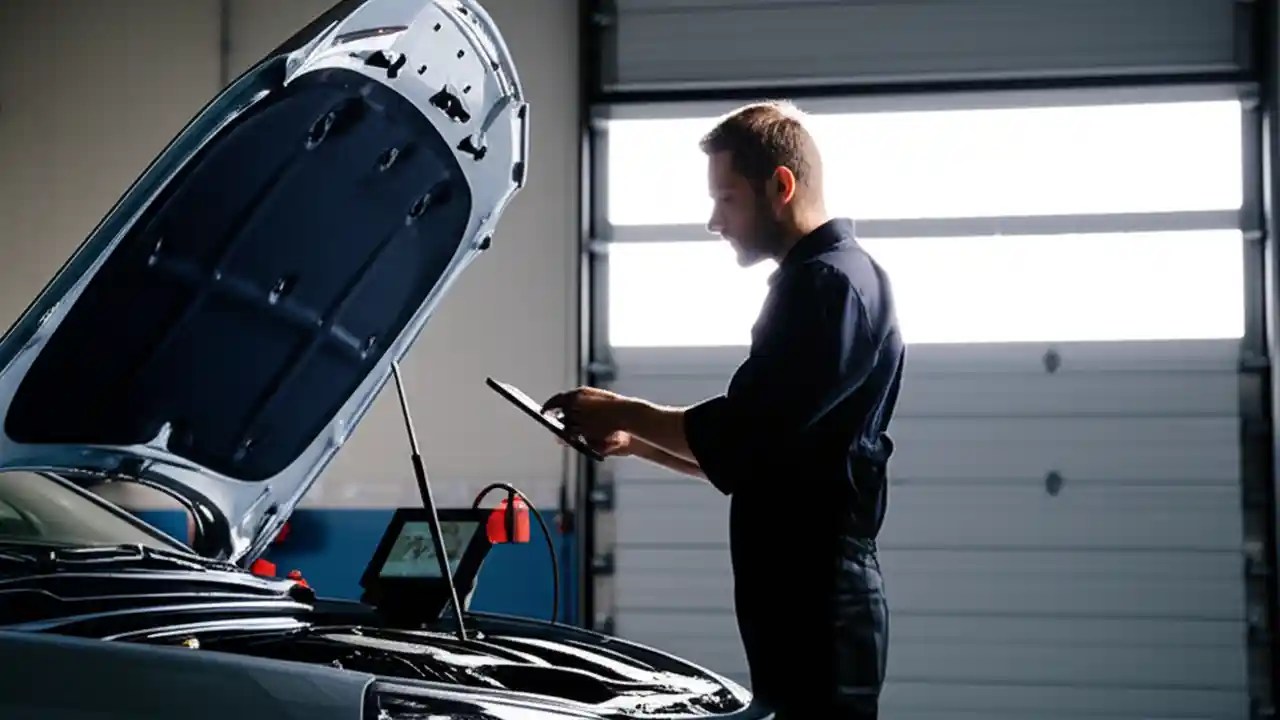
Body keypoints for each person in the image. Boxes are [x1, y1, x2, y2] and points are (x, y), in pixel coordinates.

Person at [543, 100, 903, 718]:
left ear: (780, 186)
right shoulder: (823, 281)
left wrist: (623, 411)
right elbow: (763, 455)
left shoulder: (827, 286)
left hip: (819, 604)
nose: (715, 221)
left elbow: (745, 433)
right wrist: (636, 442)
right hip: (805, 600)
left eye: (727, 198)